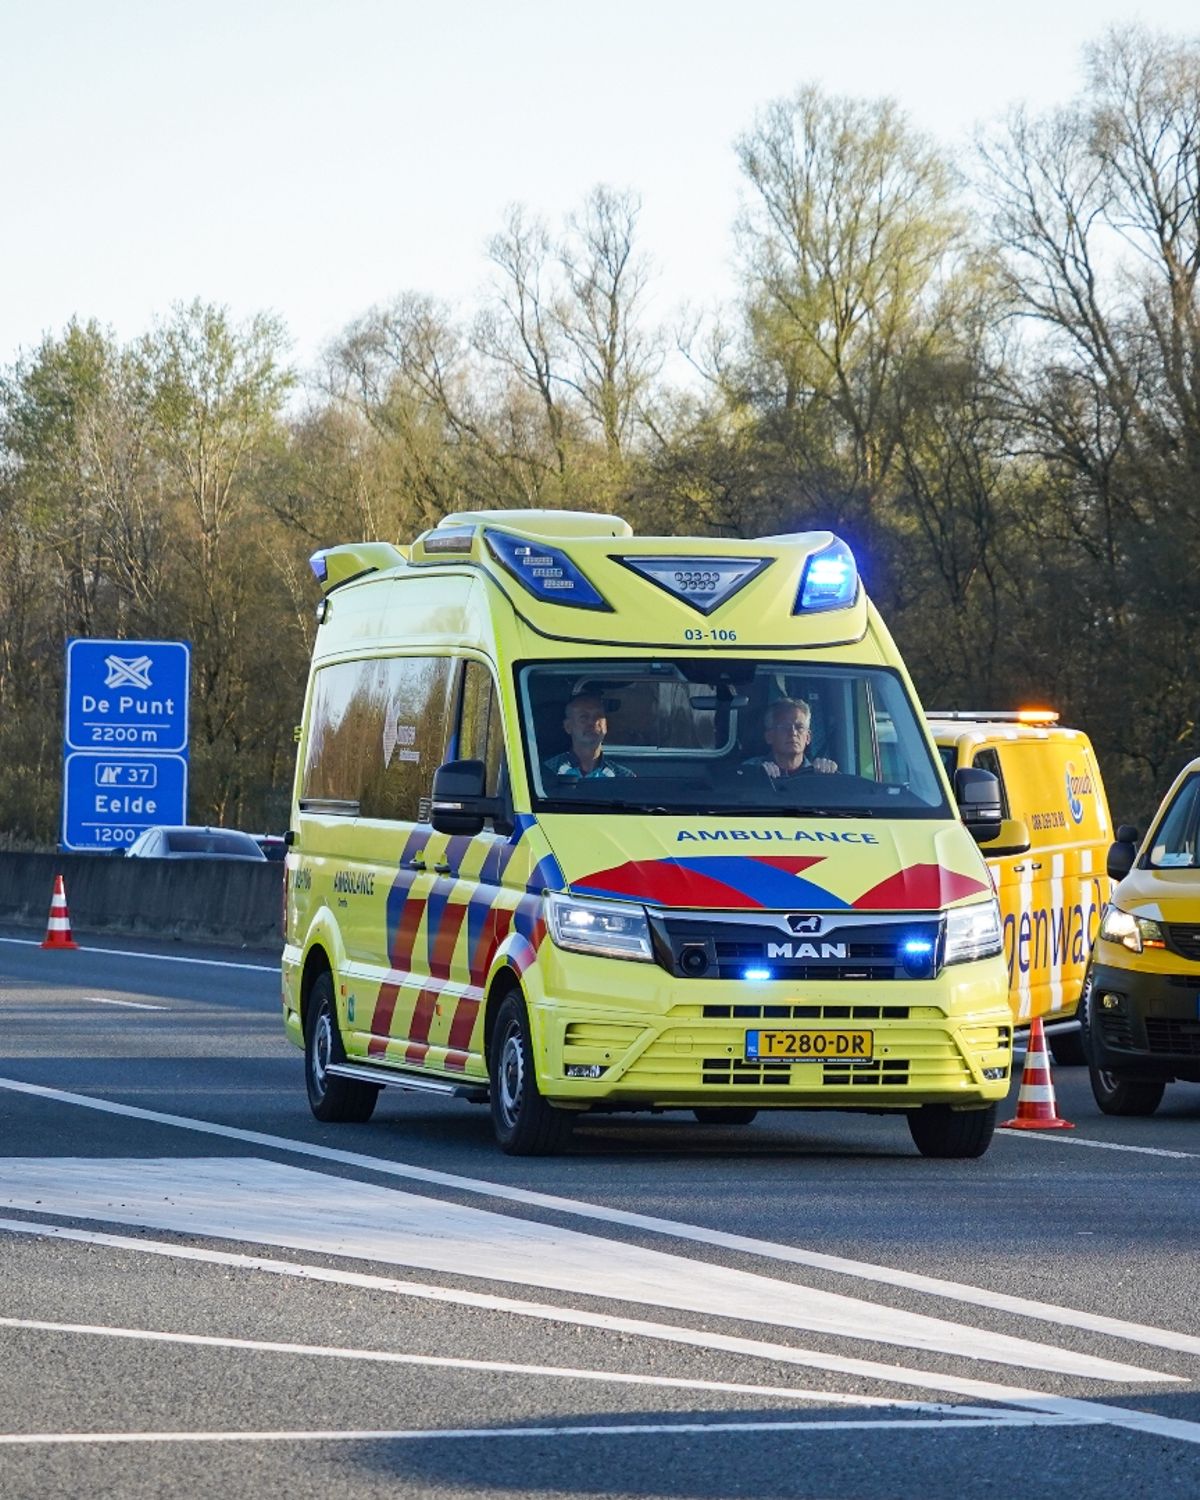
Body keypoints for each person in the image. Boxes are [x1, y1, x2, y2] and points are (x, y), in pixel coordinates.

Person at [541, 692, 635, 781]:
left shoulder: (624, 777)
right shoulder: (546, 773)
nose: (592, 723)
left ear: (606, 725)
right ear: (568, 726)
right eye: (584, 717)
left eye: (598, 717)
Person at [742, 697, 837, 778]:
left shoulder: (821, 773)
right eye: (784, 727)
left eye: (799, 727)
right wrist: (756, 776)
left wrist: (829, 777)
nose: (793, 733)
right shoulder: (750, 770)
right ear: (769, 736)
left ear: (808, 737)